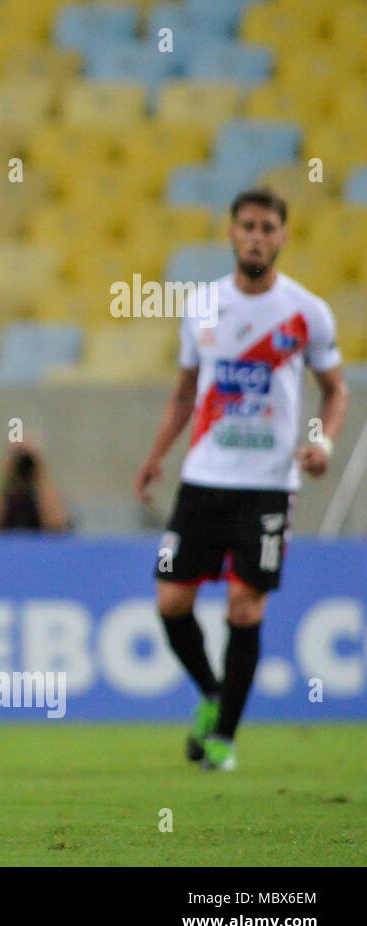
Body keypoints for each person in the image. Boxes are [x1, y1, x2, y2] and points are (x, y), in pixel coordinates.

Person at [134, 186, 349, 771]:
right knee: (172, 601)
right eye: (247, 226)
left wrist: (322, 441)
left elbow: (336, 389)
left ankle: (224, 737)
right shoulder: (203, 305)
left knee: (244, 609)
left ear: (282, 236)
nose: (257, 236)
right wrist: (156, 455)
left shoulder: (307, 312)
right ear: (231, 232)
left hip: (268, 484)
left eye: (268, 228)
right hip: (204, 476)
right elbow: (184, 392)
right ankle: (211, 691)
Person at [0, 438, 71, 532]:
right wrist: (4, 473)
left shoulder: (43, 493)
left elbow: (57, 526)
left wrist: (38, 468)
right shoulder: (3, 497)